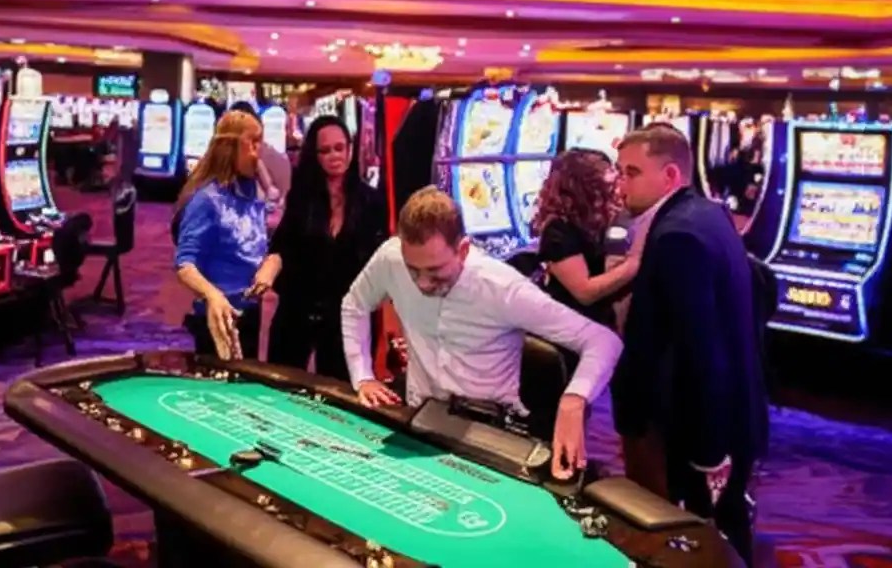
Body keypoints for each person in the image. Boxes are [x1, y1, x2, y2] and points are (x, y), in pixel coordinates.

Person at [340, 186, 623, 480]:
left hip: (490, 435)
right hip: (420, 418)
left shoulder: (503, 288)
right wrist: (363, 376)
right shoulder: (391, 258)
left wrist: (574, 400)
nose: (422, 283)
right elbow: (354, 305)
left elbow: (603, 341)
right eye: (413, 270)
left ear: (462, 250)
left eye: (435, 271)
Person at [612, 124, 768, 565]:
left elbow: (703, 350)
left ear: (671, 177)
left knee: (702, 536)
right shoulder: (707, 212)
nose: (621, 185)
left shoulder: (677, 235)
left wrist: (707, 451)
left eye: (632, 172)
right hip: (731, 406)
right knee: (728, 525)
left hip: (700, 420)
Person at [247, 116, 386, 382]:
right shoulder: (302, 197)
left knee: (340, 395)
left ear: (350, 149)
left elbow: (379, 259)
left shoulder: (371, 200)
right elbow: (282, 246)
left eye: (339, 147)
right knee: (281, 386)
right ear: (315, 155)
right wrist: (268, 270)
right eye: (325, 150)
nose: (334, 156)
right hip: (298, 309)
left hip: (345, 314)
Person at [531, 149, 641, 477]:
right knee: (561, 414)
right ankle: (556, 473)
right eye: (608, 177)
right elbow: (585, 289)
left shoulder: (589, 221)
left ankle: (567, 468)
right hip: (564, 339)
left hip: (588, 335)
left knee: (581, 411)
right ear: (582, 185)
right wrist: (635, 265)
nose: (615, 182)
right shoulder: (558, 230)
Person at [174, 110, 268, 360]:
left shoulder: (251, 191)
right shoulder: (207, 200)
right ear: (230, 147)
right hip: (218, 315)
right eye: (252, 143)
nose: (258, 152)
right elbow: (184, 264)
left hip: (249, 312)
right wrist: (213, 295)